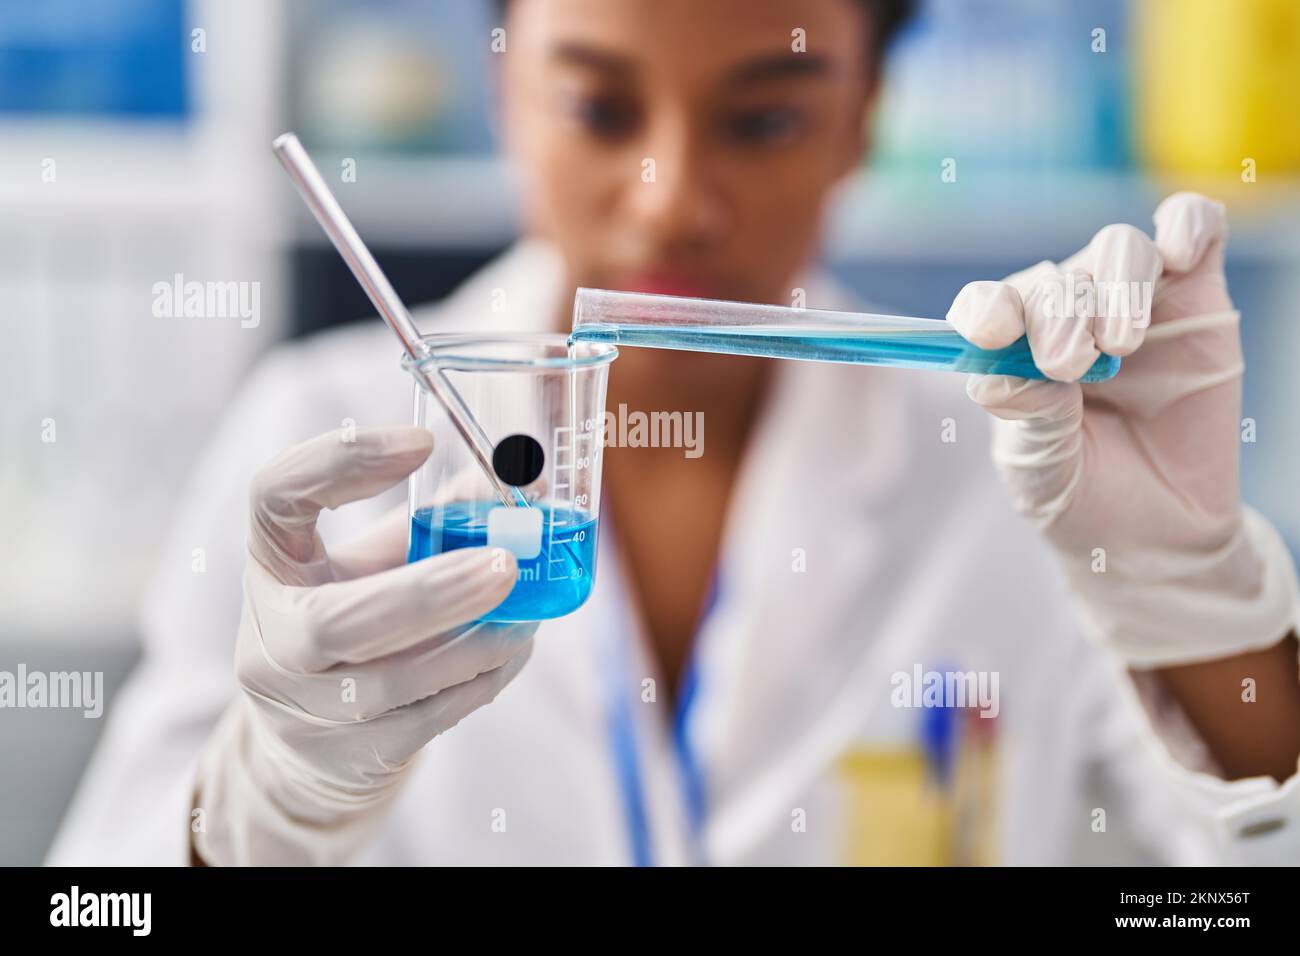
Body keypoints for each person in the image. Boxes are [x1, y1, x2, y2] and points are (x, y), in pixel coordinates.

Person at [50, 0, 1300, 866]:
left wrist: (1198, 596)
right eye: (599, 106)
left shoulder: (1022, 469)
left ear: (864, 114)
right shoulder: (310, 436)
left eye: (762, 119)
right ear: (505, 87)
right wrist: (263, 806)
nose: (673, 199)